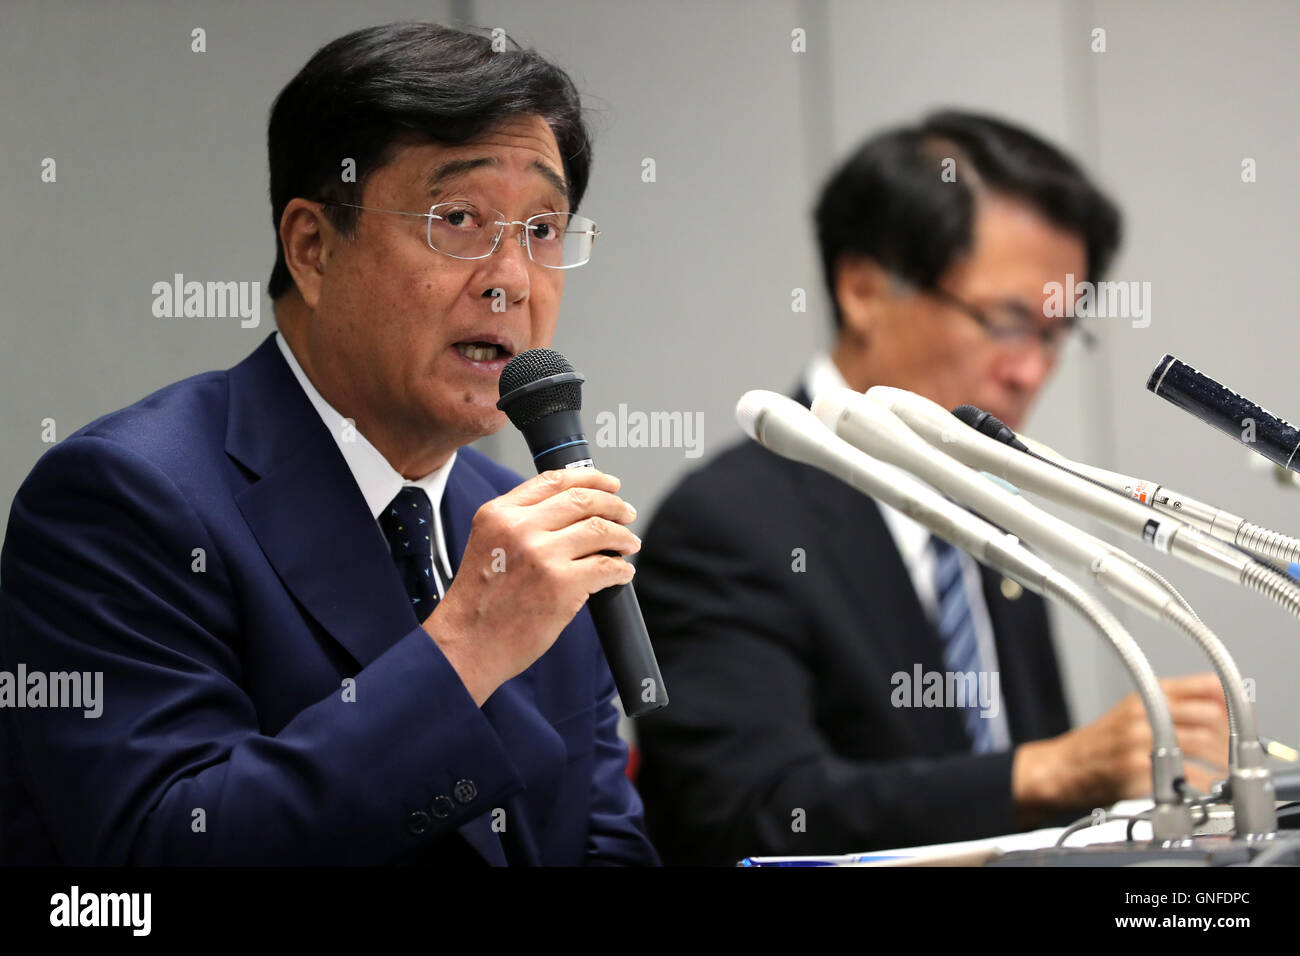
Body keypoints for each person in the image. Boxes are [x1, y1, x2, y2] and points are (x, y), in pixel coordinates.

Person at [0, 22, 658, 867]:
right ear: (312, 247)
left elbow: (603, 843)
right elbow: (159, 852)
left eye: (542, 230)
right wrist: (466, 647)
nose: (512, 279)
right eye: (458, 219)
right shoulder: (123, 499)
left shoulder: (517, 531)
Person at [632, 111, 1230, 865]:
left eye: (1056, 333)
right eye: (1008, 320)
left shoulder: (986, 499)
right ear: (863, 289)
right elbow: (748, 813)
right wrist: (1056, 770)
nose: (1031, 371)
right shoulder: (725, 522)